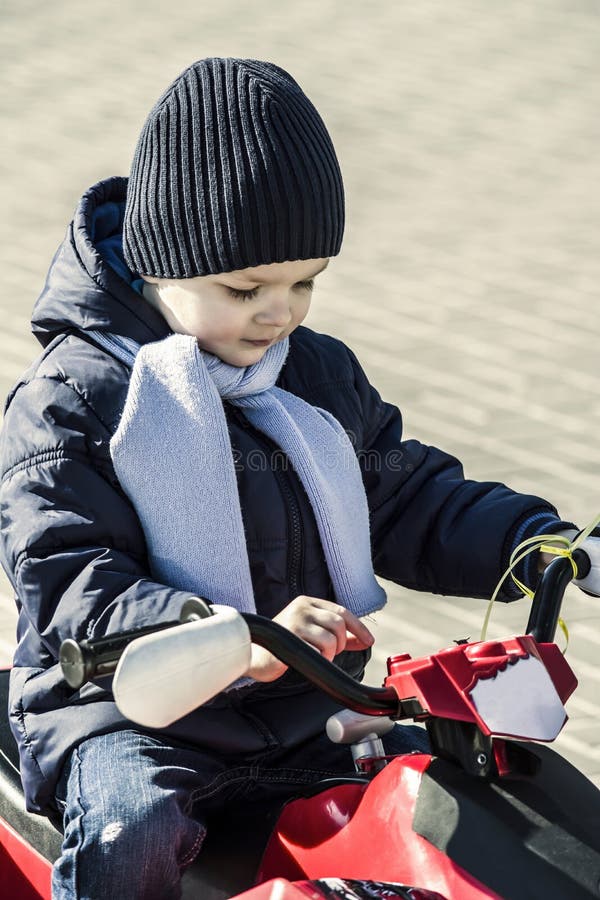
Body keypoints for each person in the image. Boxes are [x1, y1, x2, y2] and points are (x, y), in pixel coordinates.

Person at [0, 57, 597, 900]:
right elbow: (71, 585)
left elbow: (407, 498)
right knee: (134, 825)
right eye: (246, 288)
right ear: (162, 264)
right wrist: (224, 632)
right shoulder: (70, 406)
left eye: (305, 283)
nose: (280, 312)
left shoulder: (310, 378)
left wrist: (535, 542)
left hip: (302, 710)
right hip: (135, 719)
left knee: (457, 793)